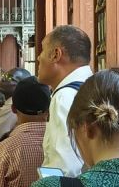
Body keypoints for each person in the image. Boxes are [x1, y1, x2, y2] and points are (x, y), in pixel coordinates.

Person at [35, 25, 94, 177]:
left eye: (42, 50)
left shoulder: (64, 97)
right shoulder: (95, 86)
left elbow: (62, 170)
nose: (38, 57)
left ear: (56, 54)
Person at [0, 67, 33, 143]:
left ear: (21, 85)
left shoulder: (13, 104)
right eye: (4, 76)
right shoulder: (12, 100)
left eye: (10, 78)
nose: (3, 79)